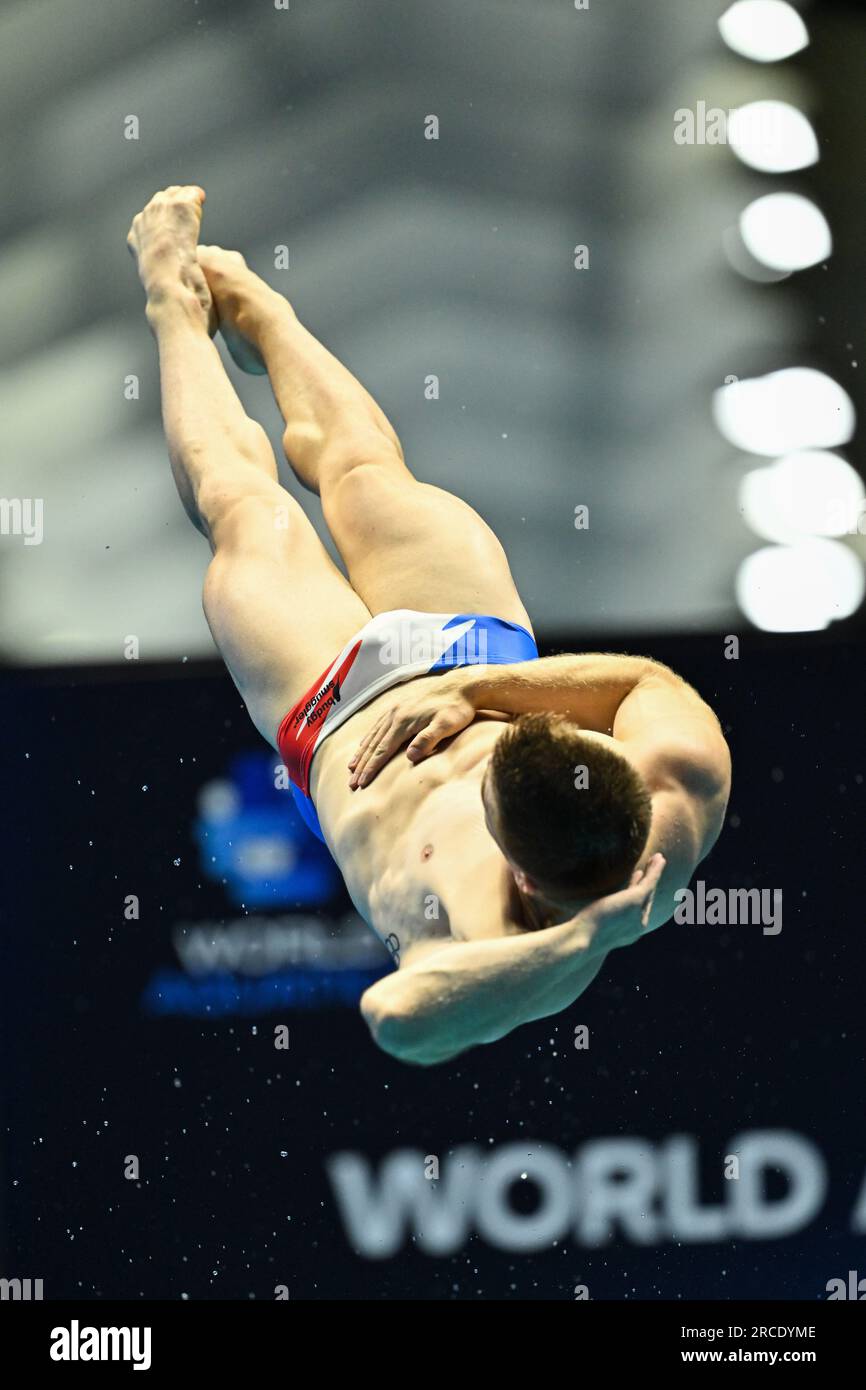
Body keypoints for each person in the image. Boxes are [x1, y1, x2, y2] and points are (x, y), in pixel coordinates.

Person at [128, 185, 731, 1065]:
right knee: (370, 475)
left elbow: (399, 1022)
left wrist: (590, 936)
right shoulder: (683, 776)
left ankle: (168, 296)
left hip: (332, 711)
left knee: (248, 514)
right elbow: (650, 685)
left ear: (521, 875)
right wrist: (481, 689)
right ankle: (261, 310)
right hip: (470, 650)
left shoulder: (493, 943)